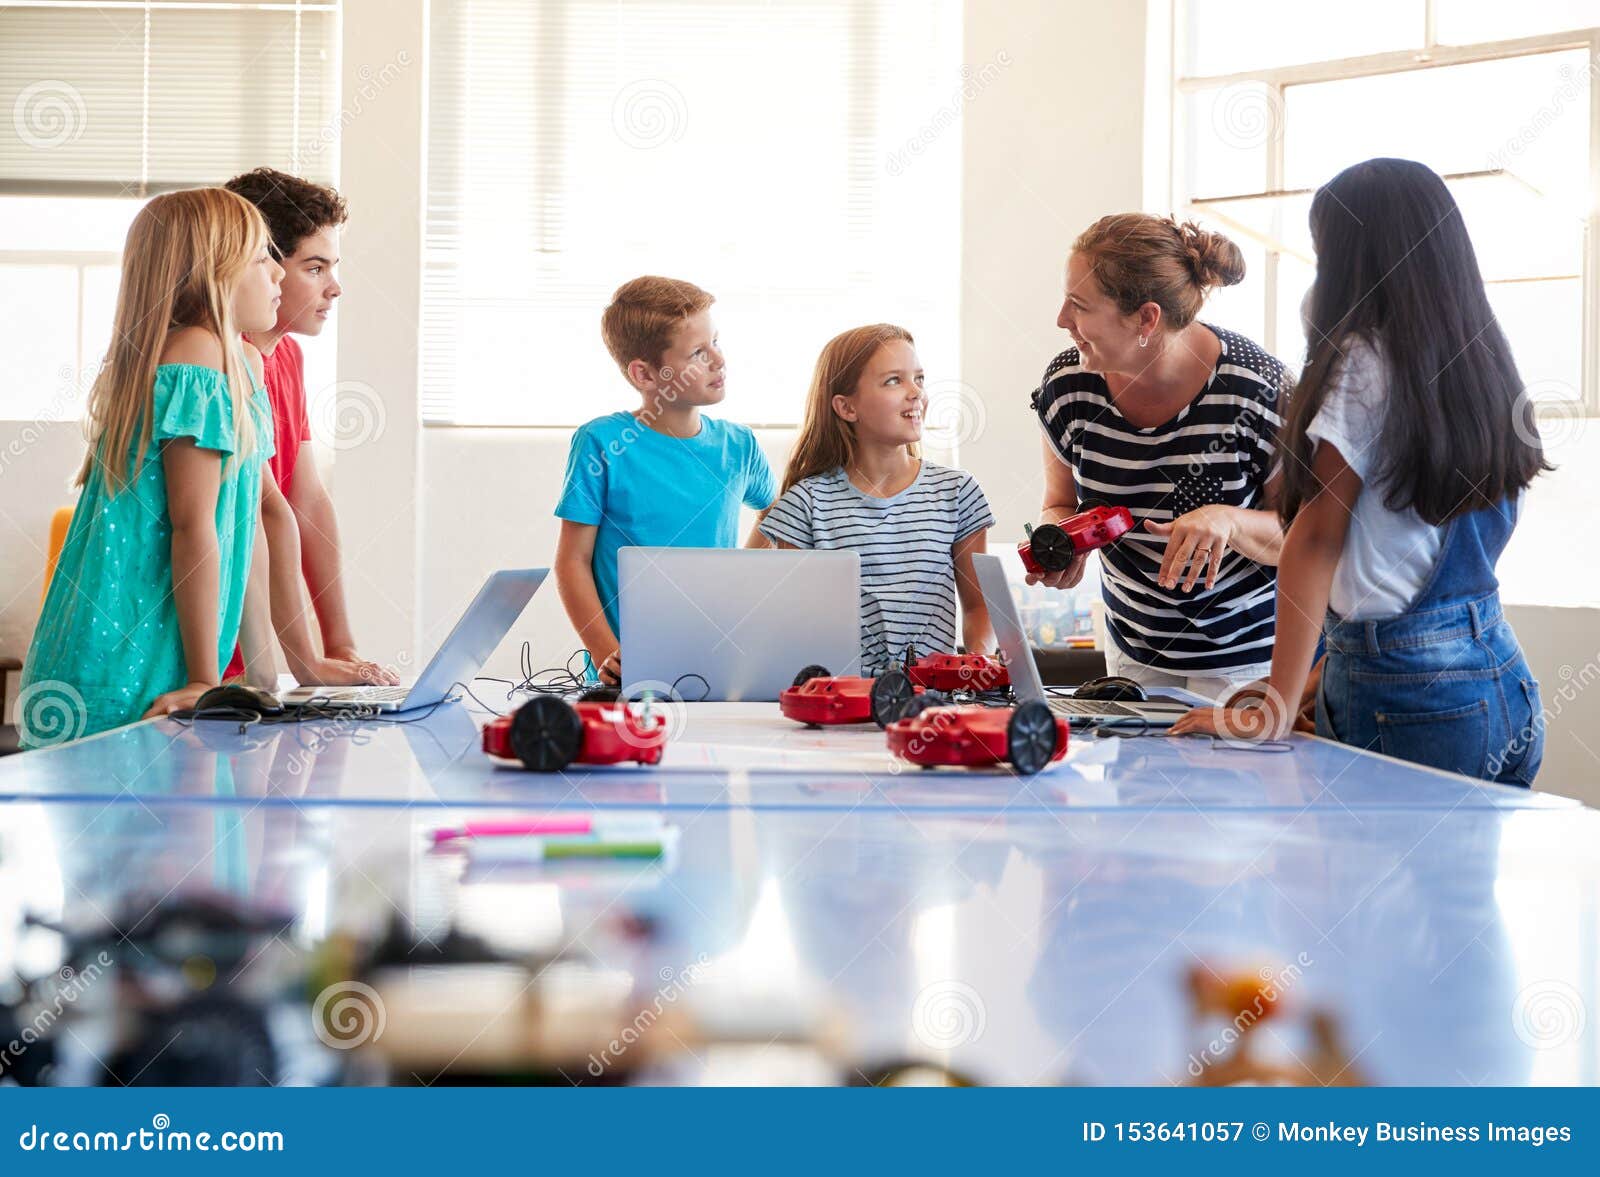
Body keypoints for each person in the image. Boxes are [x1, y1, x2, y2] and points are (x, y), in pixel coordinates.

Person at [1172, 158, 1547, 786]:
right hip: (1495, 675)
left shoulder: (1363, 359)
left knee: (1359, 884)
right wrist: (1316, 675)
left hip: (1409, 698)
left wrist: (1275, 709)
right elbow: (1415, 552)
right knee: (1457, 886)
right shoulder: (1479, 355)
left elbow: (1316, 540)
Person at [20, 189, 284, 742]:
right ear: (216, 272)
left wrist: (263, 675)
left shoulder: (236, 364)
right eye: (262, 257)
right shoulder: (196, 351)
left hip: (140, 654)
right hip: (125, 660)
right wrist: (204, 681)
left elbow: (250, 527)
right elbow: (193, 526)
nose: (278, 273)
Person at [1031, 214, 1294, 699]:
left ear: (1146, 318)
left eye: (1080, 305)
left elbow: (1307, 539)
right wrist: (1063, 542)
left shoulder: (1260, 392)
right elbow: (1059, 501)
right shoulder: (1067, 387)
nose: (1062, 320)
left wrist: (1228, 521)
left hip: (1247, 662)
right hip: (1133, 651)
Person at [554, 276, 777, 685]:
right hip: (628, 675)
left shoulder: (739, 445)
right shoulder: (601, 443)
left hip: (716, 663)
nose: (719, 359)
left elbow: (776, 514)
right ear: (644, 373)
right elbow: (572, 562)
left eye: (716, 342)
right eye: (697, 352)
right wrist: (607, 653)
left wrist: (743, 576)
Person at [222, 167, 395, 687]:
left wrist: (339, 643)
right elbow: (261, 517)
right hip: (203, 653)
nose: (334, 287)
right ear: (261, 267)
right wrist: (307, 663)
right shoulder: (224, 365)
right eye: (315, 268)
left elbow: (308, 502)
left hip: (250, 659)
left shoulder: (287, 357)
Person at [752, 324, 993, 670]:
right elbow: (794, 624)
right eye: (894, 381)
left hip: (930, 707)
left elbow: (979, 607)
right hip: (838, 701)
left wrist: (977, 663)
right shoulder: (805, 504)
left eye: (919, 378)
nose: (916, 393)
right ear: (847, 407)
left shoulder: (957, 492)